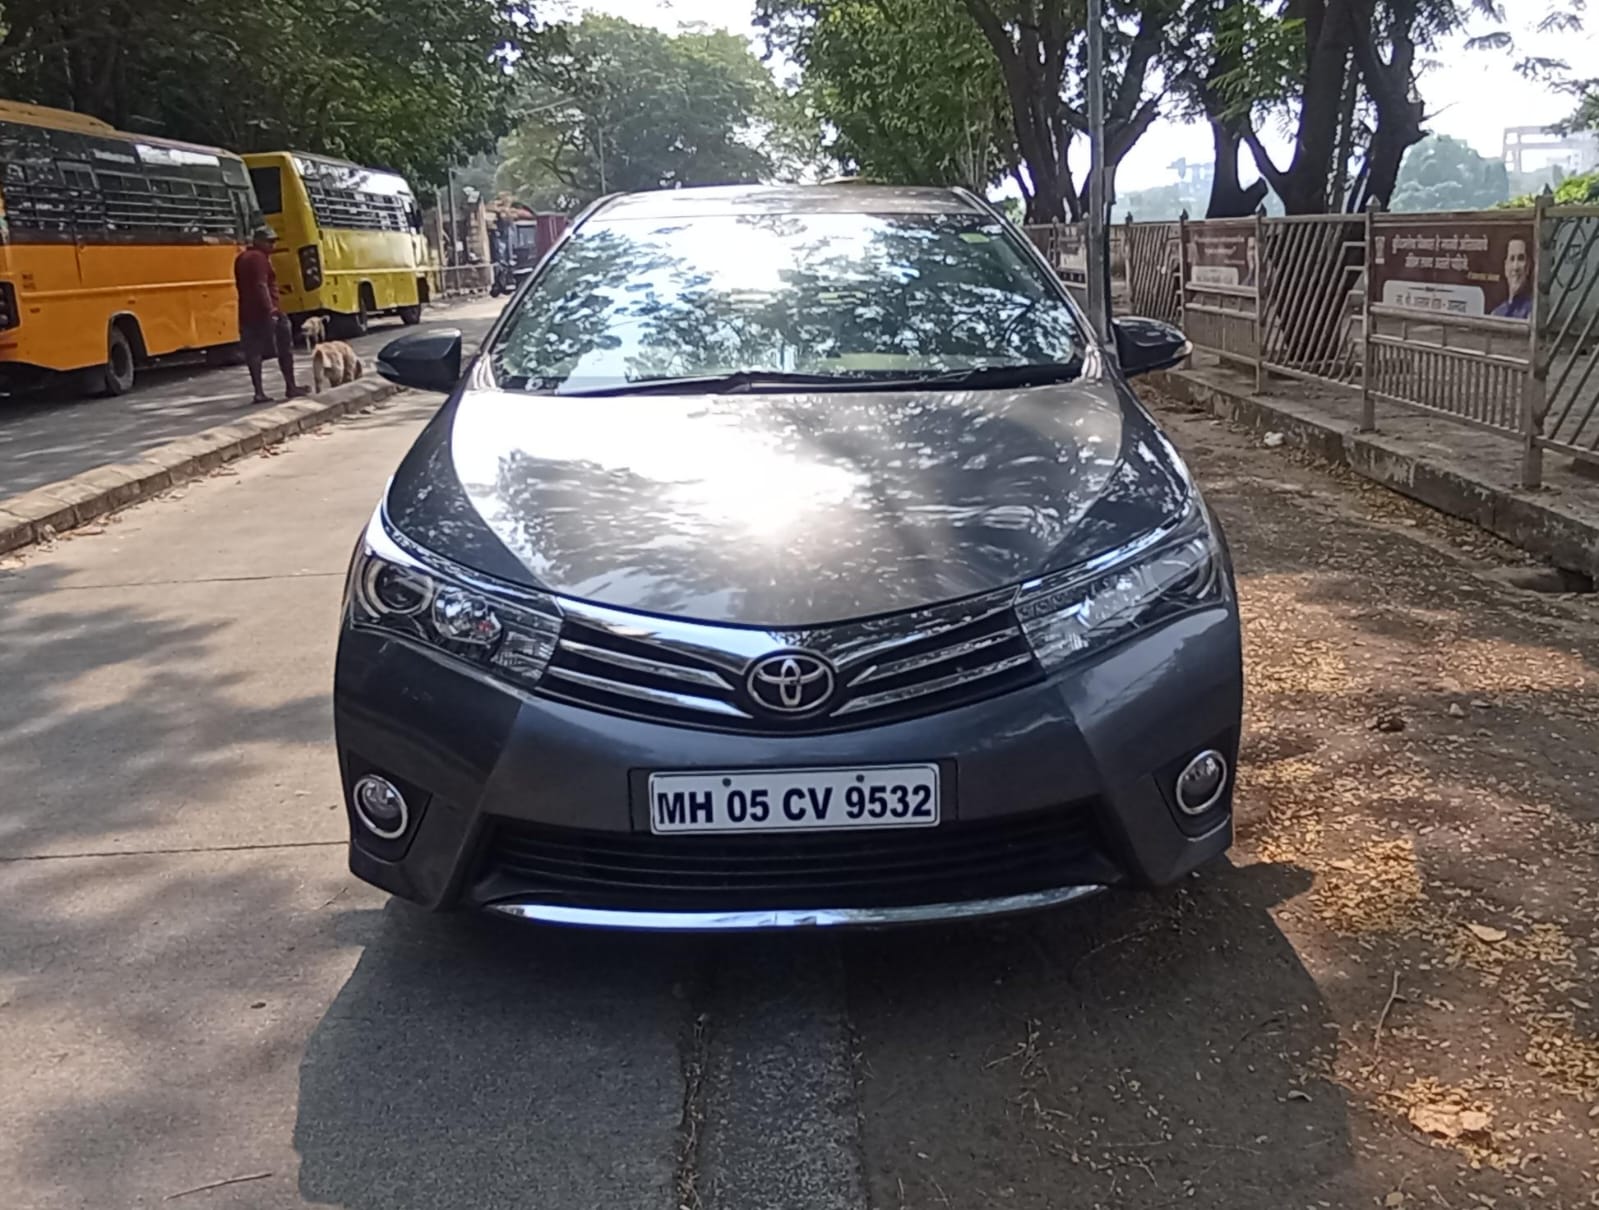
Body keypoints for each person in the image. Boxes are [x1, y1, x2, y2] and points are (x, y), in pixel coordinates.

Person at [234, 225, 307, 404]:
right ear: (258, 241)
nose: (272, 245)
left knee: (253, 352)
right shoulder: (259, 259)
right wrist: (271, 310)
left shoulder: (241, 258)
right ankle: (291, 386)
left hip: (246, 312)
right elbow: (261, 285)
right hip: (268, 311)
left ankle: (259, 392)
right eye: (269, 241)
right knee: (285, 348)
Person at [1489, 237, 1532, 320]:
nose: (1515, 267)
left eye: (1521, 259)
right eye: (1512, 259)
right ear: (1505, 267)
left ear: (1528, 267)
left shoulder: (1533, 313)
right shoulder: (1496, 314)